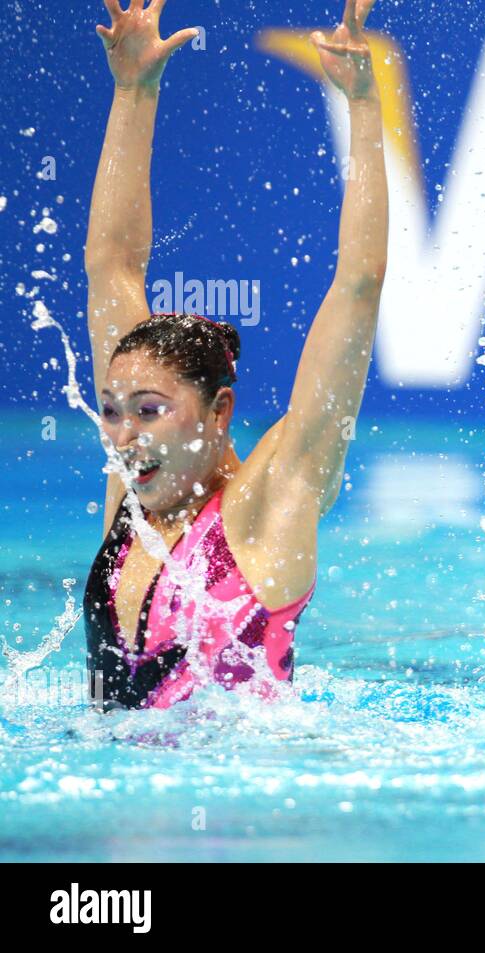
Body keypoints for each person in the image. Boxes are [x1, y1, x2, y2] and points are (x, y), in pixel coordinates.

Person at [83, 0, 388, 708]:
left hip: (245, 806)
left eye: (150, 410)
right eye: (112, 411)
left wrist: (365, 110)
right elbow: (112, 265)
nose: (124, 437)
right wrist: (133, 92)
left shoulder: (273, 503)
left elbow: (359, 287)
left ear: (219, 411)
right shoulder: (135, 503)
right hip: (123, 805)